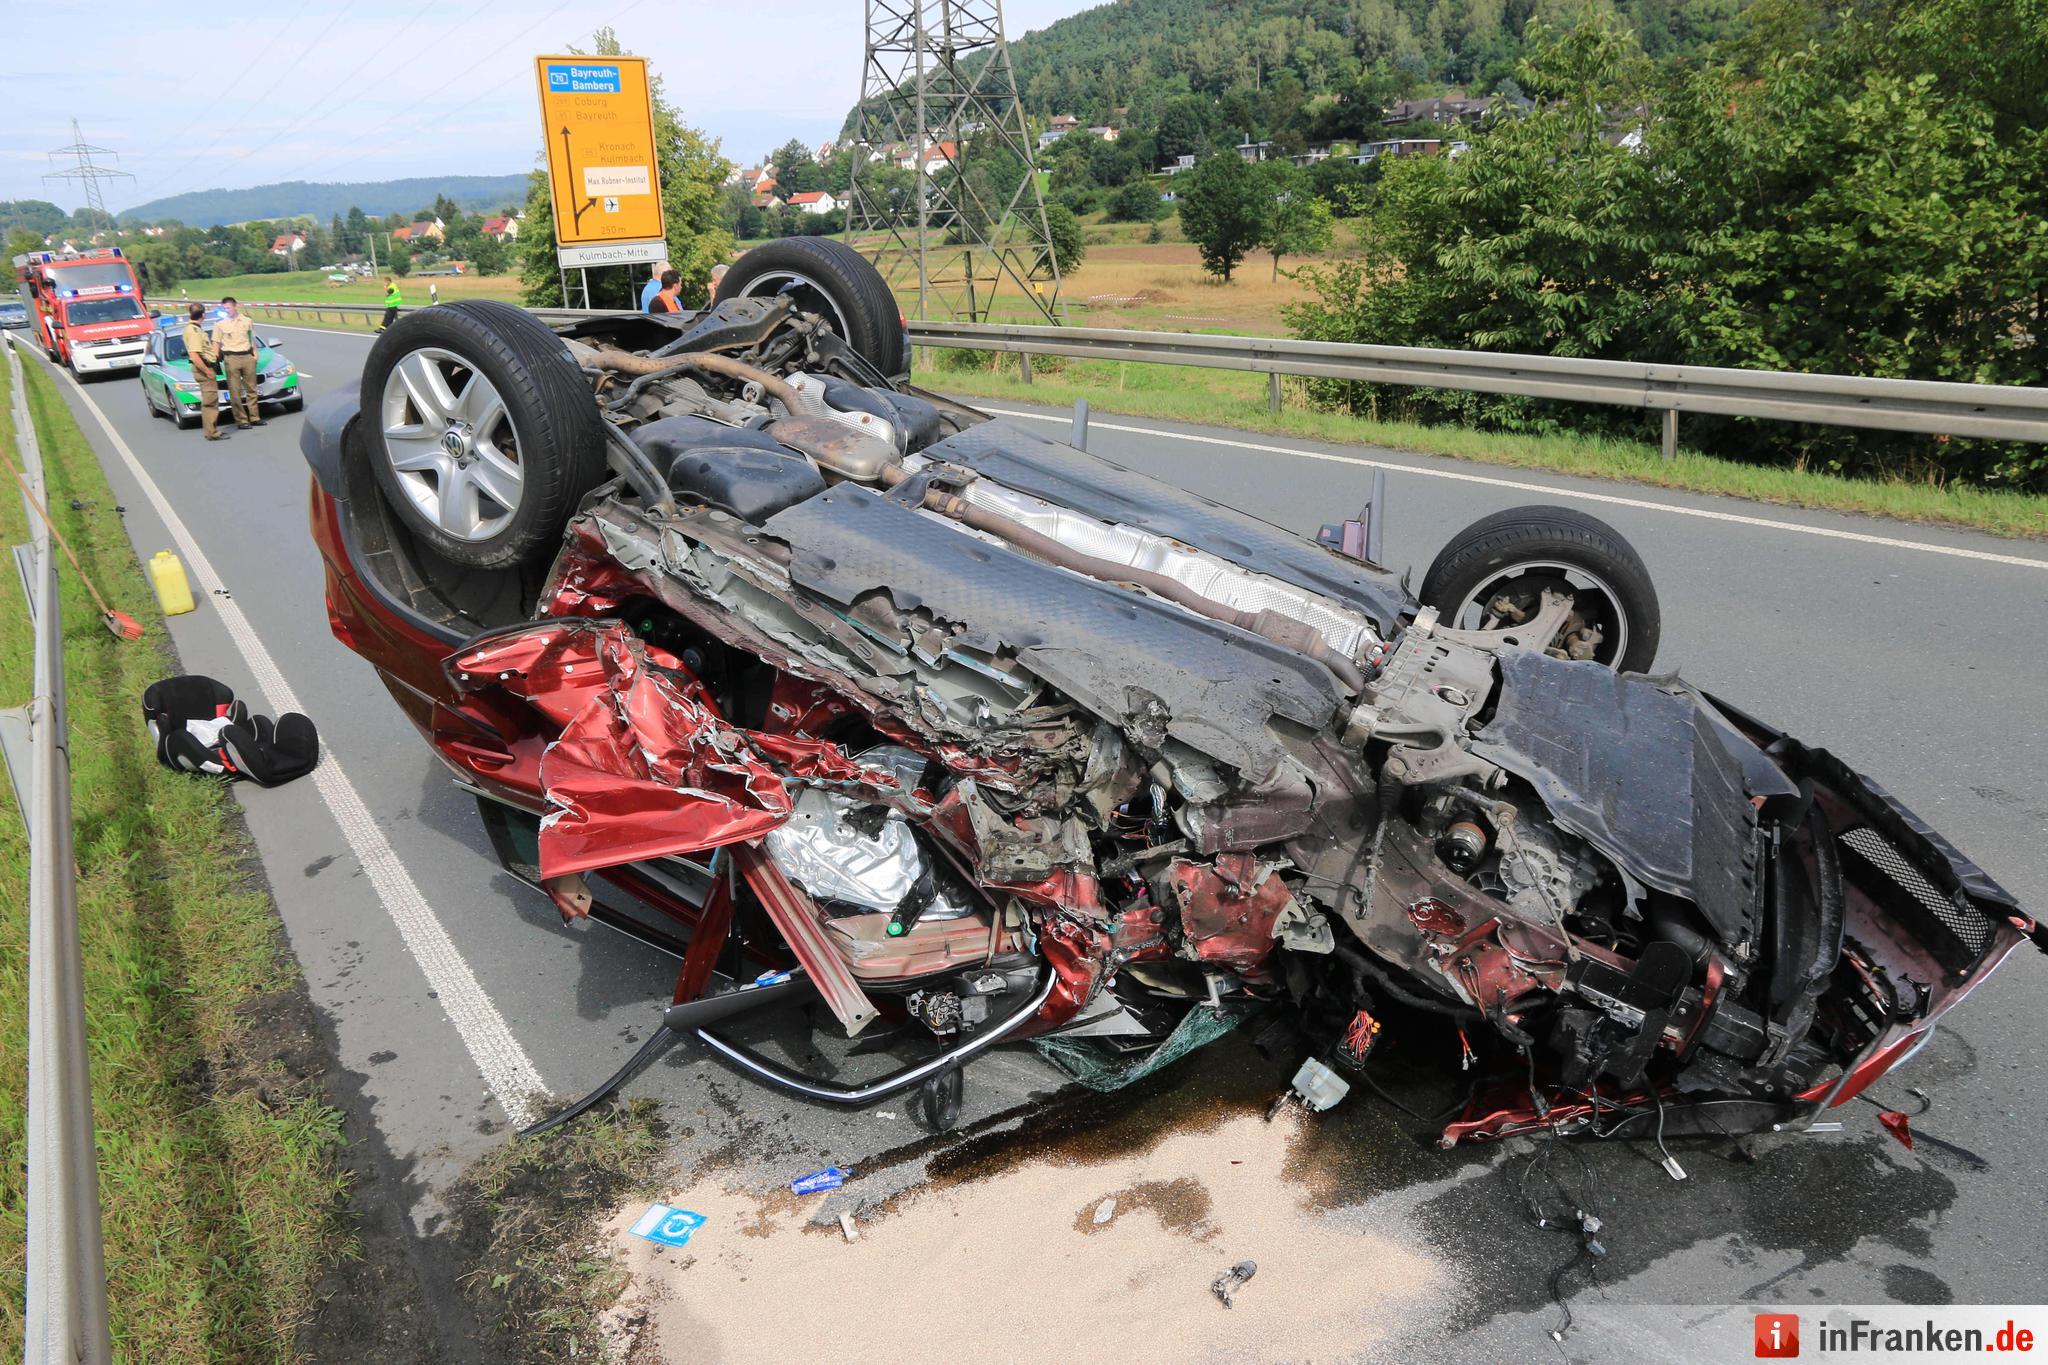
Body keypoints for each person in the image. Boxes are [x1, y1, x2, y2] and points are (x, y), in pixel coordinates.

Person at [213, 297, 265, 430]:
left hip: (247, 356)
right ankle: (241, 420)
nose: (226, 310)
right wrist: (214, 359)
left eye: (228, 308)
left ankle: (255, 417)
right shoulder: (220, 324)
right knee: (235, 391)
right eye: (224, 308)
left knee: (252, 389)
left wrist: (255, 353)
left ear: (235, 306)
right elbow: (216, 343)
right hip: (231, 358)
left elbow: (251, 337)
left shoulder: (247, 321)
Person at [180, 303, 226, 441]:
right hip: (204, 368)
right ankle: (211, 432)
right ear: (203, 315)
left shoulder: (191, 329)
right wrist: (207, 371)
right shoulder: (194, 332)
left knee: (210, 400)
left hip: (205, 367)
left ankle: (211, 430)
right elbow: (194, 355)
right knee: (210, 401)